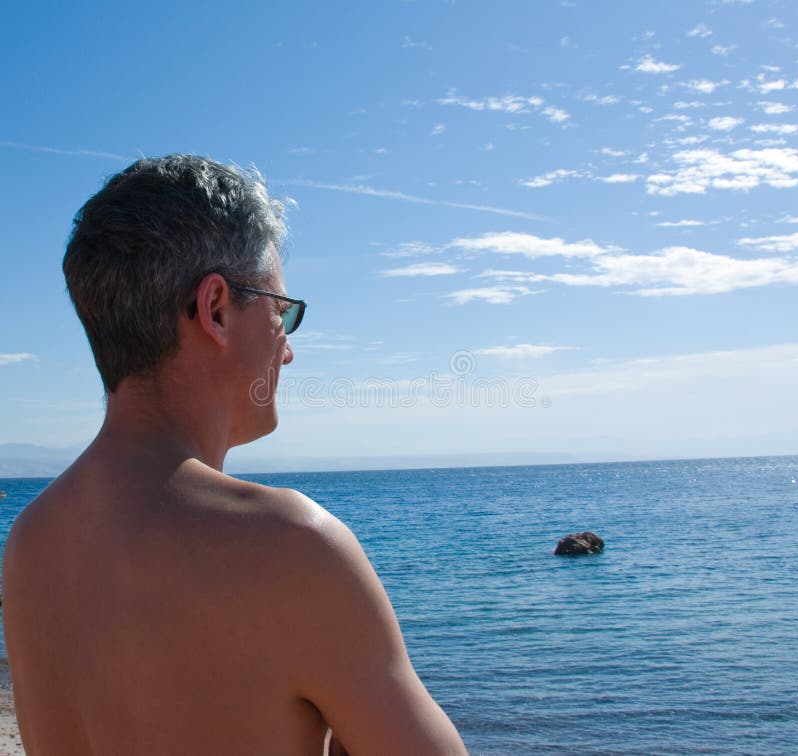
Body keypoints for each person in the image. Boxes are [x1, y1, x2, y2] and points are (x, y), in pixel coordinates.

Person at [1, 155, 467, 755]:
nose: (288, 351)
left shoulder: (30, 542)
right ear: (216, 309)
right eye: (281, 312)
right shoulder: (291, 545)